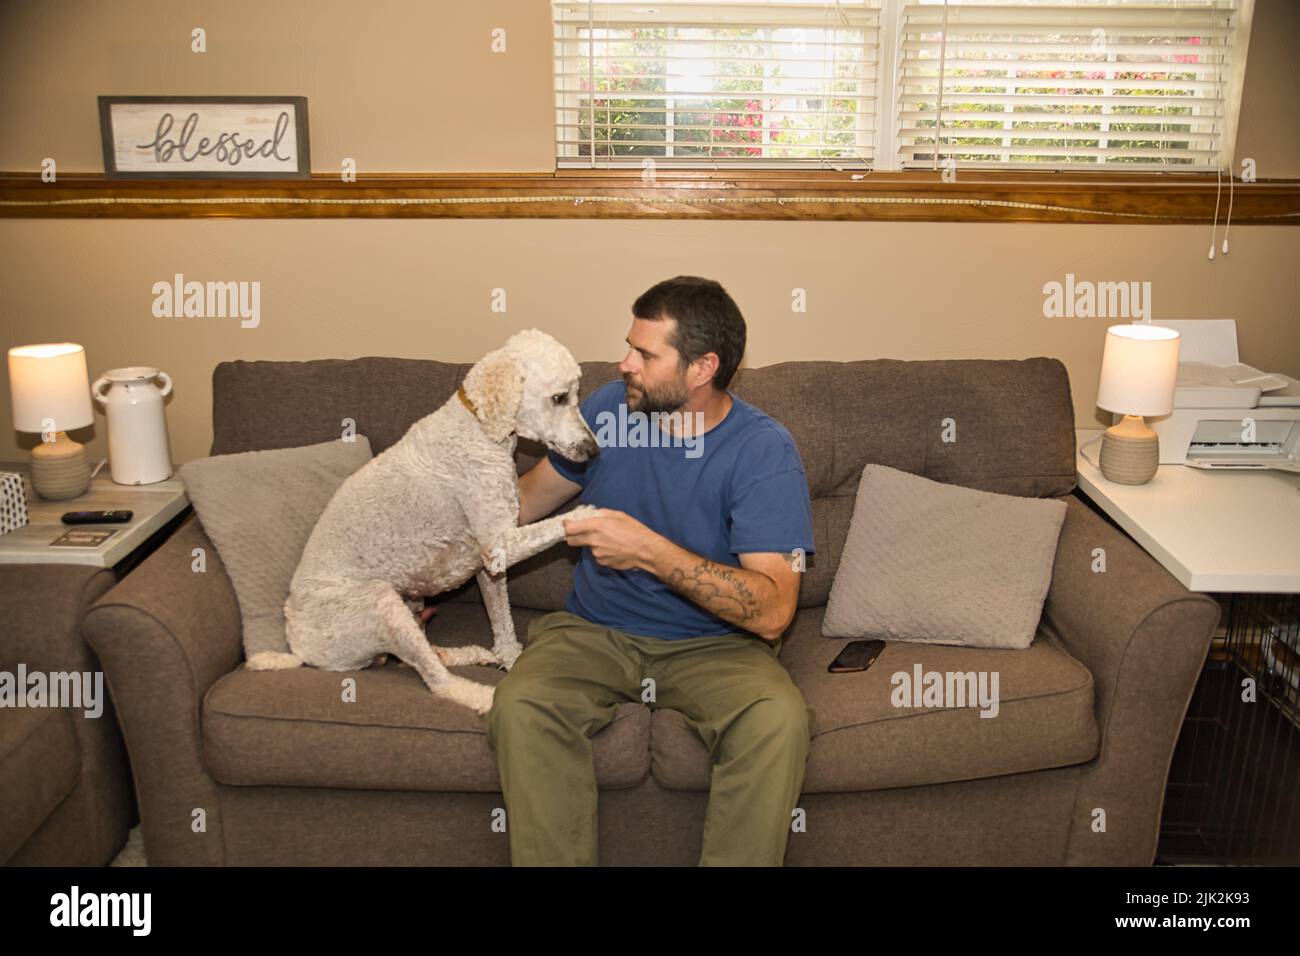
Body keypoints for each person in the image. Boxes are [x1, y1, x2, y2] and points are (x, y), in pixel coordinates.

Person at [484, 275, 816, 866]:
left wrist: (651, 553)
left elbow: (773, 613)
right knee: (520, 707)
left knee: (778, 722)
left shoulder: (764, 451)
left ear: (700, 368)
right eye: (628, 346)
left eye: (645, 353)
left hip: (716, 646)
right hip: (594, 632)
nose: (624, 363)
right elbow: (523, 503)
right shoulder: (609, 409)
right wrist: (424, 571)